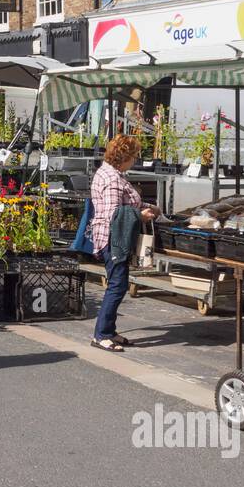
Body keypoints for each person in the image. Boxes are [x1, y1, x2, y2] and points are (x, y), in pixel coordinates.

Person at [88, 134, 156, 353]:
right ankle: (101, 335)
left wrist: (149, 206)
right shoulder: (113, 179)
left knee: (118, 283)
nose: (135, 160)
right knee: (118, 285)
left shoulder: (109, 173)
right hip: (113, 239)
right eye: (134, 156)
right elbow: (114, 214)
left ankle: (109, 330)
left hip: (109, 237)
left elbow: (123, 202)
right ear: (124, 156)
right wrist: (141, 215)